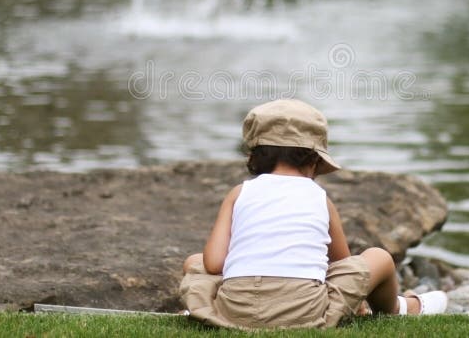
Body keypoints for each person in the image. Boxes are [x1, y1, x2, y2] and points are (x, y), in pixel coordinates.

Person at [179, 99, 447, 329]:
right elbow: (341, 264)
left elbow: (213, 264)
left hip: (233, 311)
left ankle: (201, 308)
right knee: (378, 258)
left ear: (254, 156)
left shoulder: (239, 193)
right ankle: (397, 309)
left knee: (194, 261)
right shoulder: (319, 197)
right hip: (306, 313)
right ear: (314, 159)